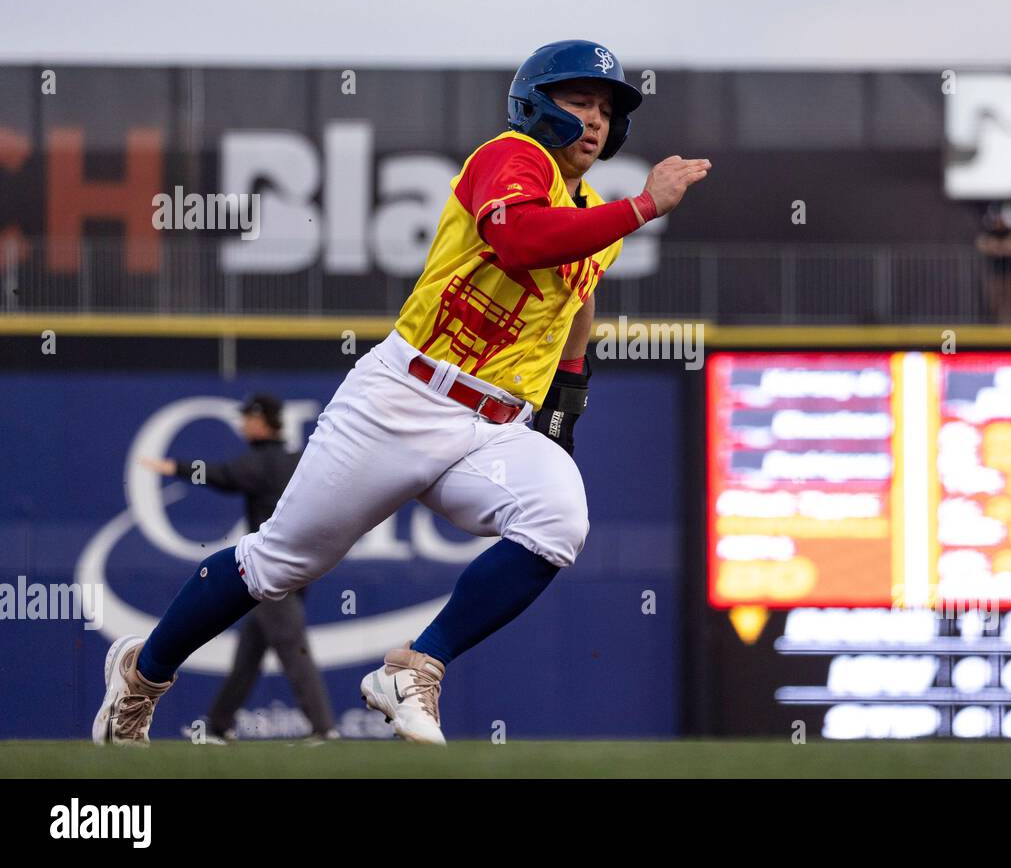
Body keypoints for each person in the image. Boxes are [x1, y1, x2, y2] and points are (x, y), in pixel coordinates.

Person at [93, 39, 711, 746]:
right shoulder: (511, 156)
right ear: (537, 103)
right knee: (277, 563)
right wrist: (642, 206)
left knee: (559, 519)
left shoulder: (593, 208)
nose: (597, 120)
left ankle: (416, 666)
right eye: (580, 101)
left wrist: (565, 410)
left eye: (607, 108)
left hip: (495, 425)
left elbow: (579, 301)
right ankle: (144, 673)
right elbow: (518, 240)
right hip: (407, 398)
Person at [138, 393, 337, 743]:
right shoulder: (297, 459)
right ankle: (218, 724)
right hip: (300, 568)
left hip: (270, 571)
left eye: (248, 417)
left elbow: (222, 475)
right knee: (251, 650)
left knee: (292, 645)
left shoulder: (263, 463)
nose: (243, 424)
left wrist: (176, 467)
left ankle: (323, 728)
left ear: (264, 421)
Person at [977, 209, 1011, 323]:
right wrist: (1000, 247)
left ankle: (1008, 327)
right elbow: (982, 245)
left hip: (1009, 273)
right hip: (994, 273)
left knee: (1009, 302)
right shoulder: (989, 231)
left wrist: (998, 247)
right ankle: (995, 325)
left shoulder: (1010, 231)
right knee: (993, 301)